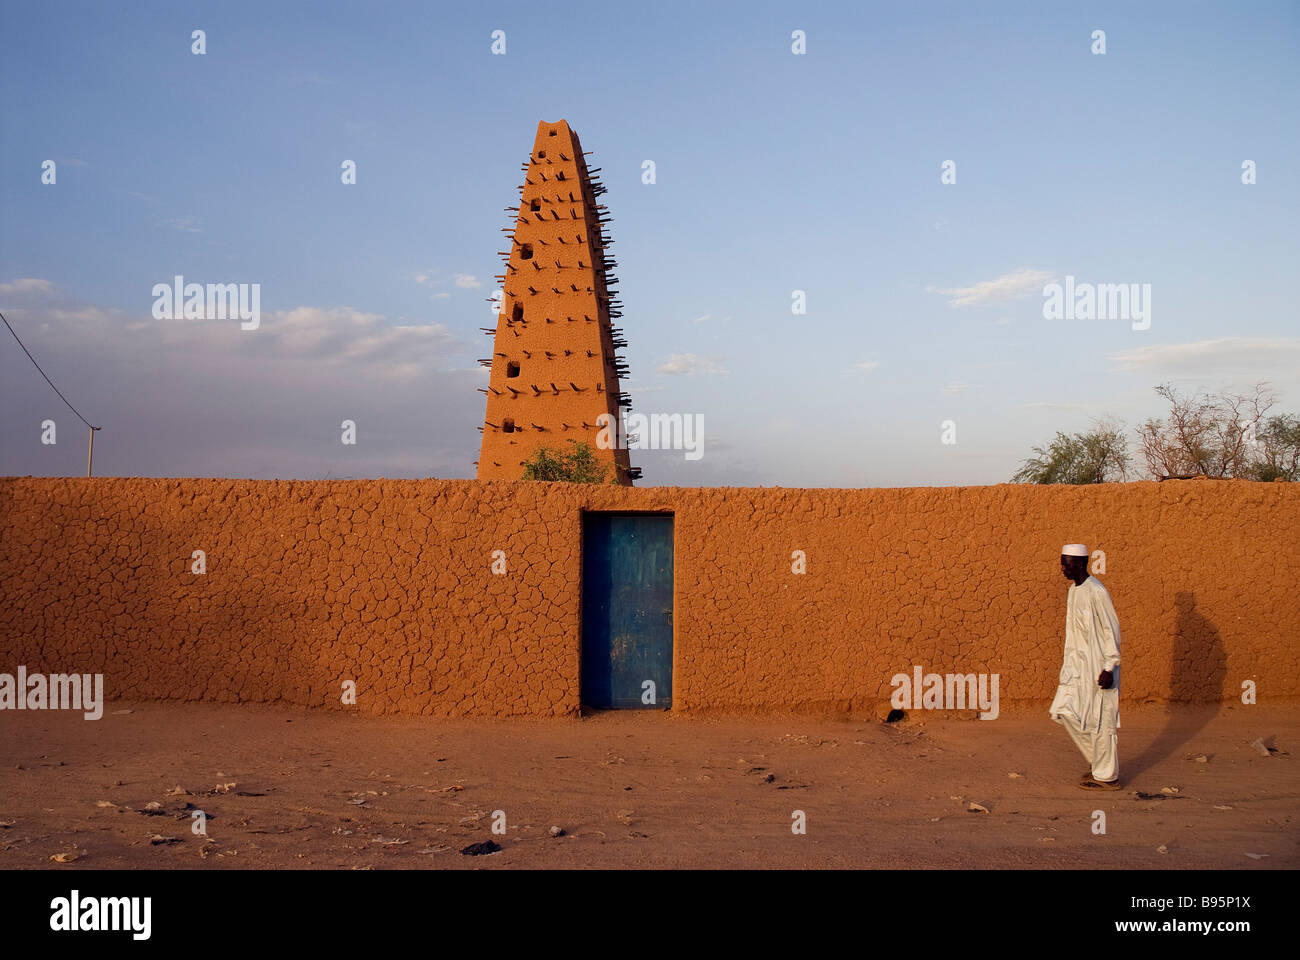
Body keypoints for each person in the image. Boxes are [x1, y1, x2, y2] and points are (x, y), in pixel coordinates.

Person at [1049, 543, 1122, 790]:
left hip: (1100, 667)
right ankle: (1099, 763)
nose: (1062, 568)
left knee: (1102, 721)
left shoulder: (1096, 591)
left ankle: (1106, 776)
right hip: (1077, 667)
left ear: (1080, 563)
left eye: (1066, 563)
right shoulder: (1074, 591)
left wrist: (1110, 667)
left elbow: (1110, 630)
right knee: (1064, 711)